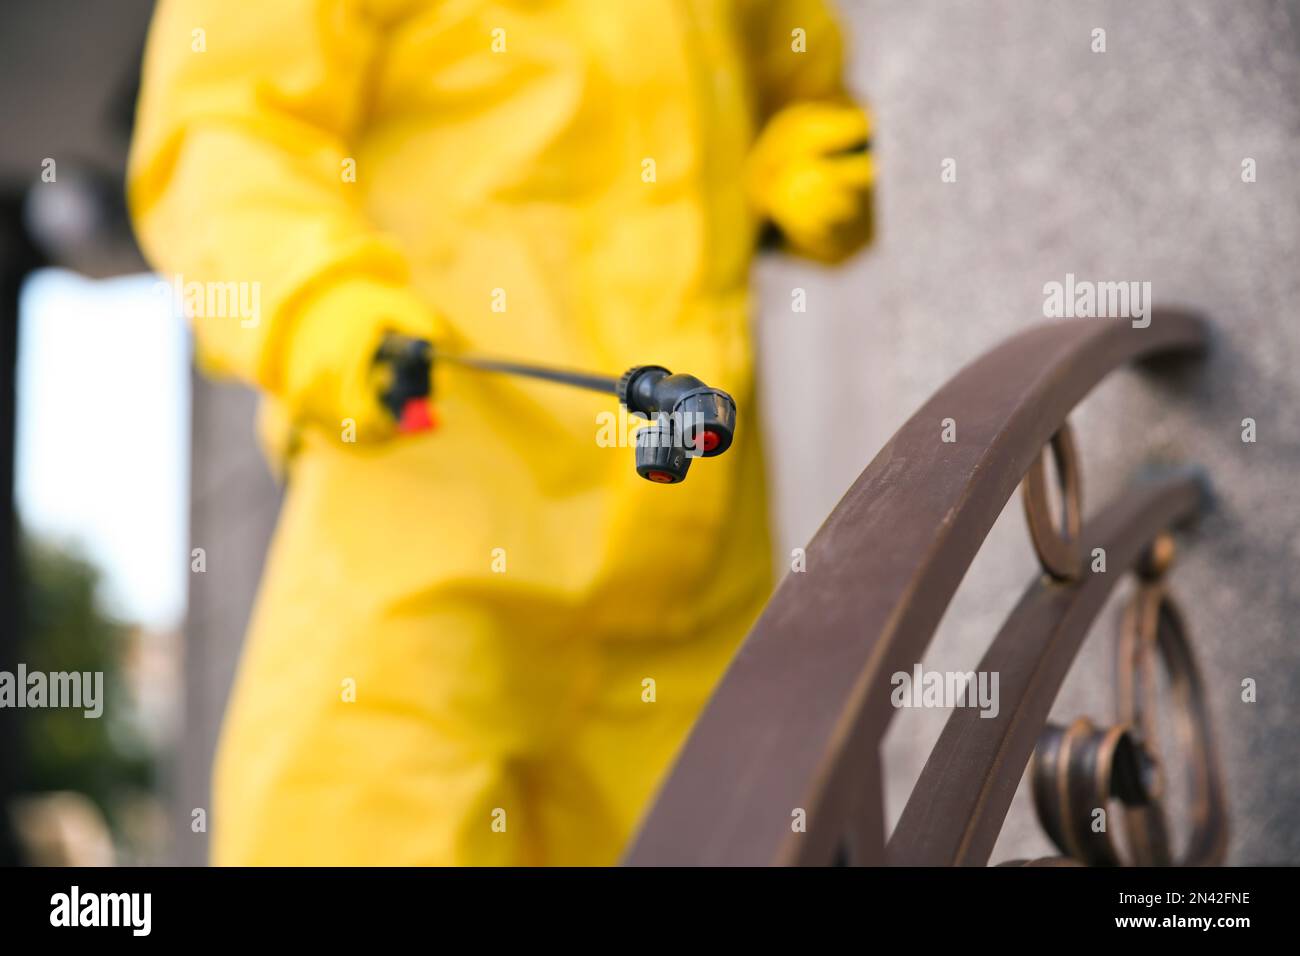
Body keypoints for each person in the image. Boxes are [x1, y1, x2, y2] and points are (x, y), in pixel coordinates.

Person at [128, 0, 873, 865]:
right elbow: (223, 123)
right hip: (429, 520)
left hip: (694, 566)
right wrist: (310, 302)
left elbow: (800, 76)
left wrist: (801, 152)